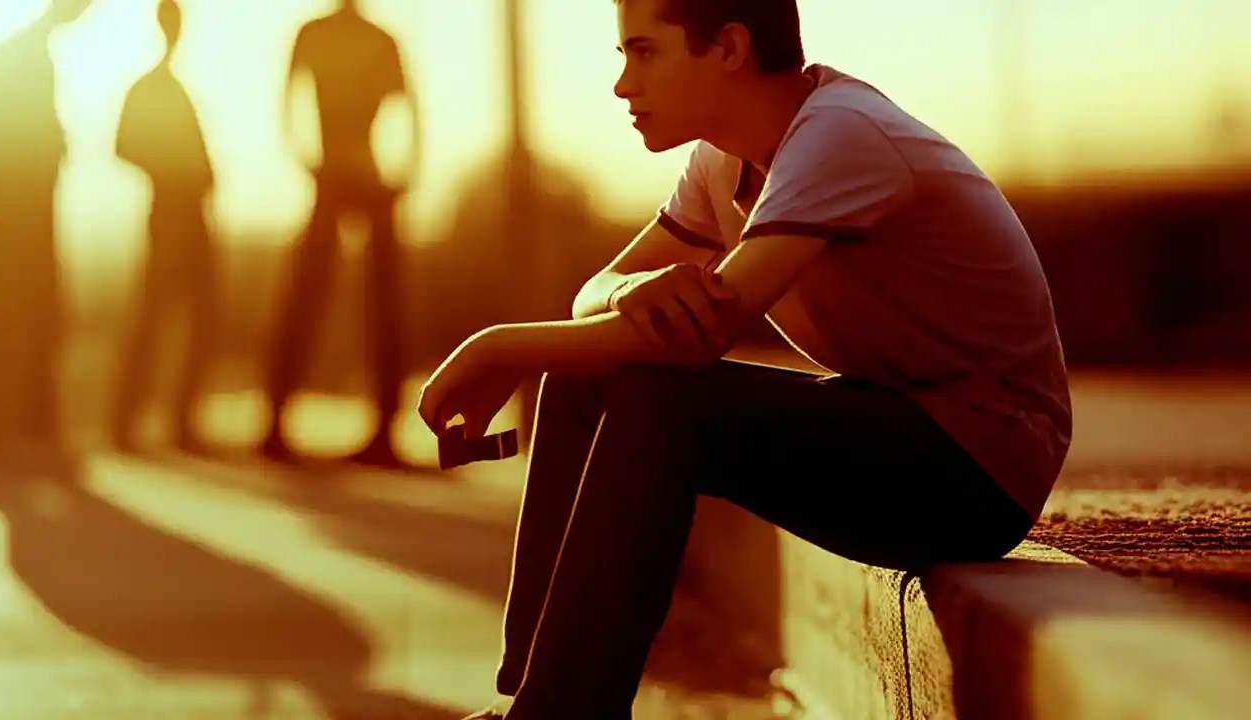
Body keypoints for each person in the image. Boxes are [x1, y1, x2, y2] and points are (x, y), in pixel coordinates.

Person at [418, 0, 1072, 717]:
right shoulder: (723, 159)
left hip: (979, 469)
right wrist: (632, 288)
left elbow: (700, 335)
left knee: (664, 401)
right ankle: (534, 698)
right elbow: (595, 295)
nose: (622, 85)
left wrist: (499, 347)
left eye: (643, 53)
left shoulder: (839, 136)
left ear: (728, 47)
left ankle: (562, 714)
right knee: (586, 381)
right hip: (899, 426)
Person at [260, 0, 421, 468]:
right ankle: (275, 422)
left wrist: (402, 174)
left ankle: (384, 429)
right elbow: (288, 104)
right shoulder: (316, 34)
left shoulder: (377, 39)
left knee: (383, 301)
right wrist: (308, 162)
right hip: (335, 173)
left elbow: (409, 110)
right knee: (307, 292)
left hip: (363, 174)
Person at [0, 0, 92, 472]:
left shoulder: (31, 53)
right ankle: (0, 434)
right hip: (19, 213)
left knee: (40, 313)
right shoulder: (23, 54)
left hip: (28, 208)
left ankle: (28, 432)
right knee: (15, 315)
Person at [111, 0, 218, 454]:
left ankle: (180, 422)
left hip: (193, 216)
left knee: (198, 319)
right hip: (168, 216)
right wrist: (169, 170)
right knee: (155, 318)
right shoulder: (150, 88)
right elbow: (122, 147)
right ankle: (125, 423)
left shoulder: (173, 88)